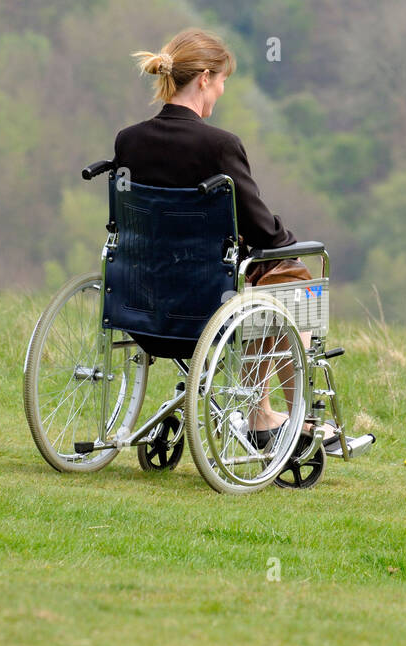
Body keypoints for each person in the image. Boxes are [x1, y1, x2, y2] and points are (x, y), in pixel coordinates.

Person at [114, 27, 316, 447]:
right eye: (223, 81)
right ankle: (285, 418)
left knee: (269, 276)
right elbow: (262, 229)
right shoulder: (220, 146)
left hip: (141, 304)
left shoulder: (129, 141)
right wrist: (287, 242)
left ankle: (268, 415)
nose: (222, 91)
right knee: (295, 279)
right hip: (206, 305)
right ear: (204, 78)